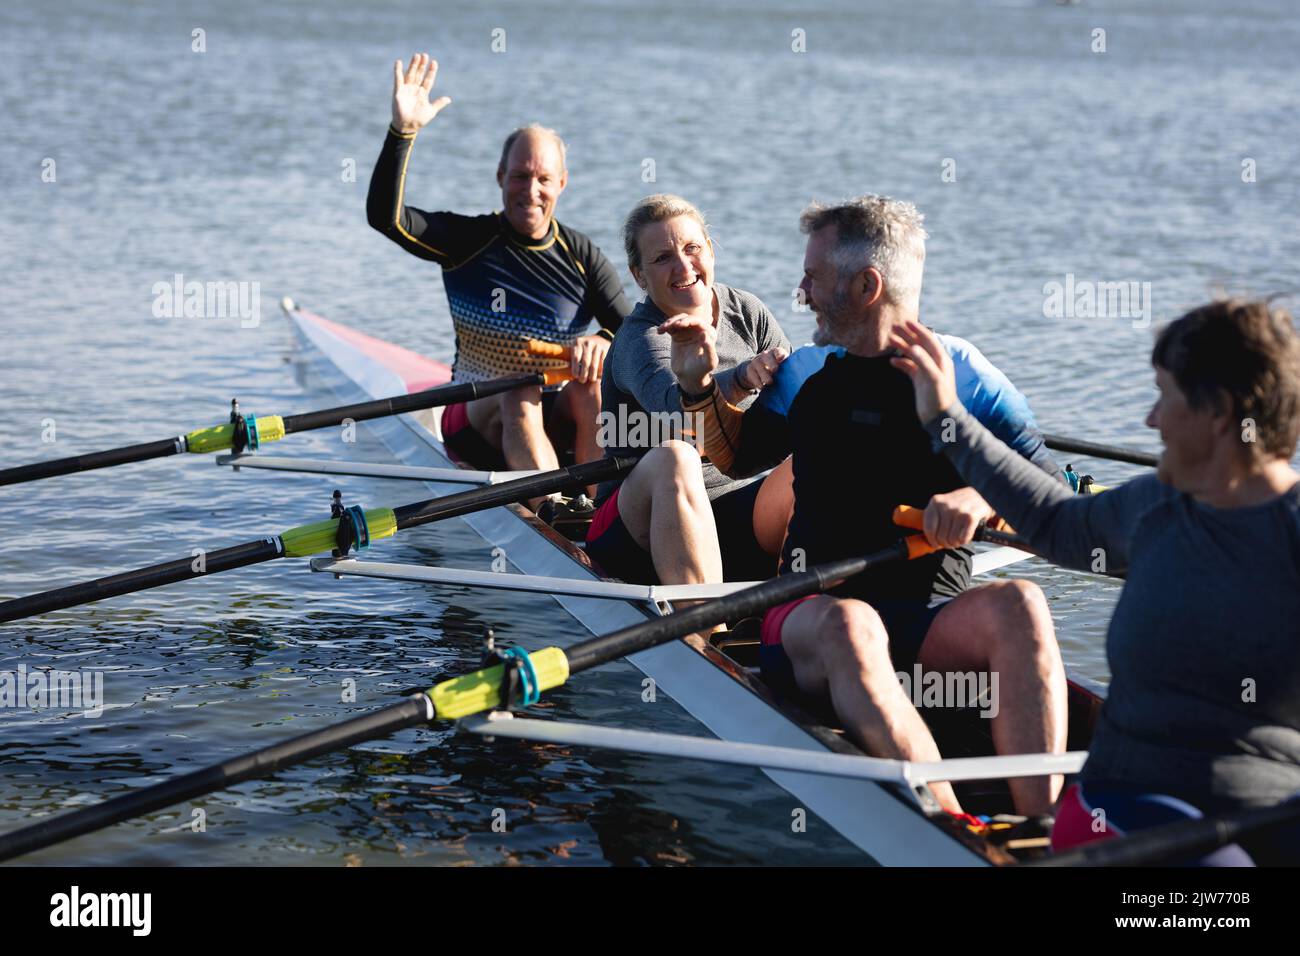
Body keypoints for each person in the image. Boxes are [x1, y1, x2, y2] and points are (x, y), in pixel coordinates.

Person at [670, 195, 1068, 817]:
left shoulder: (965, 376)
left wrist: (982, 493)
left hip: (929, 618)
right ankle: (956, 829)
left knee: (1022, 603)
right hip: (808, 610)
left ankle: (1045, 829)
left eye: (813, 277)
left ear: (866, 285)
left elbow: (1053, 500)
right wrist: (699, 387)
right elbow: (734, 457)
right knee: (853, 623)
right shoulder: (807, 372)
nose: (800, 292)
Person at [890, 298, 1300, 864]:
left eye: (1164, 396)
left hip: (1273, 811)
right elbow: (1054, 522)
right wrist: (947, 420)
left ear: (1221, 413)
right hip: (1128, 807)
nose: (1150, 421)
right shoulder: (1158, 507)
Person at [367, 53, 631, 494]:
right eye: (520, 177)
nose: (531, 191)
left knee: (591, 391)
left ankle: (597, 509)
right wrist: (403, 132)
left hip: (554, 421)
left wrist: (602, 341)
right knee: (519, 393)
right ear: (500, 177)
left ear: (561, 184)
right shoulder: (468, 240)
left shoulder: (582, 255)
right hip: (472, 416)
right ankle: (551, 513)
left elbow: (635, 331)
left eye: (543, 179)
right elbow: (385, 218)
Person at [584, 194, 793, 590]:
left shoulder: (747, 312)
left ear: (710, 252)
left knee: (814, 460)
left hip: (732, 513)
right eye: (662, 258)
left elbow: (801, 406)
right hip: (635, 531)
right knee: (676, 455)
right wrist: (744, 378)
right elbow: (680, 417)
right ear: (639, 276)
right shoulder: (642, 338)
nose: (683, 266)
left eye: (692, 248)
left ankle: (793, 618)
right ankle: (704, 631)